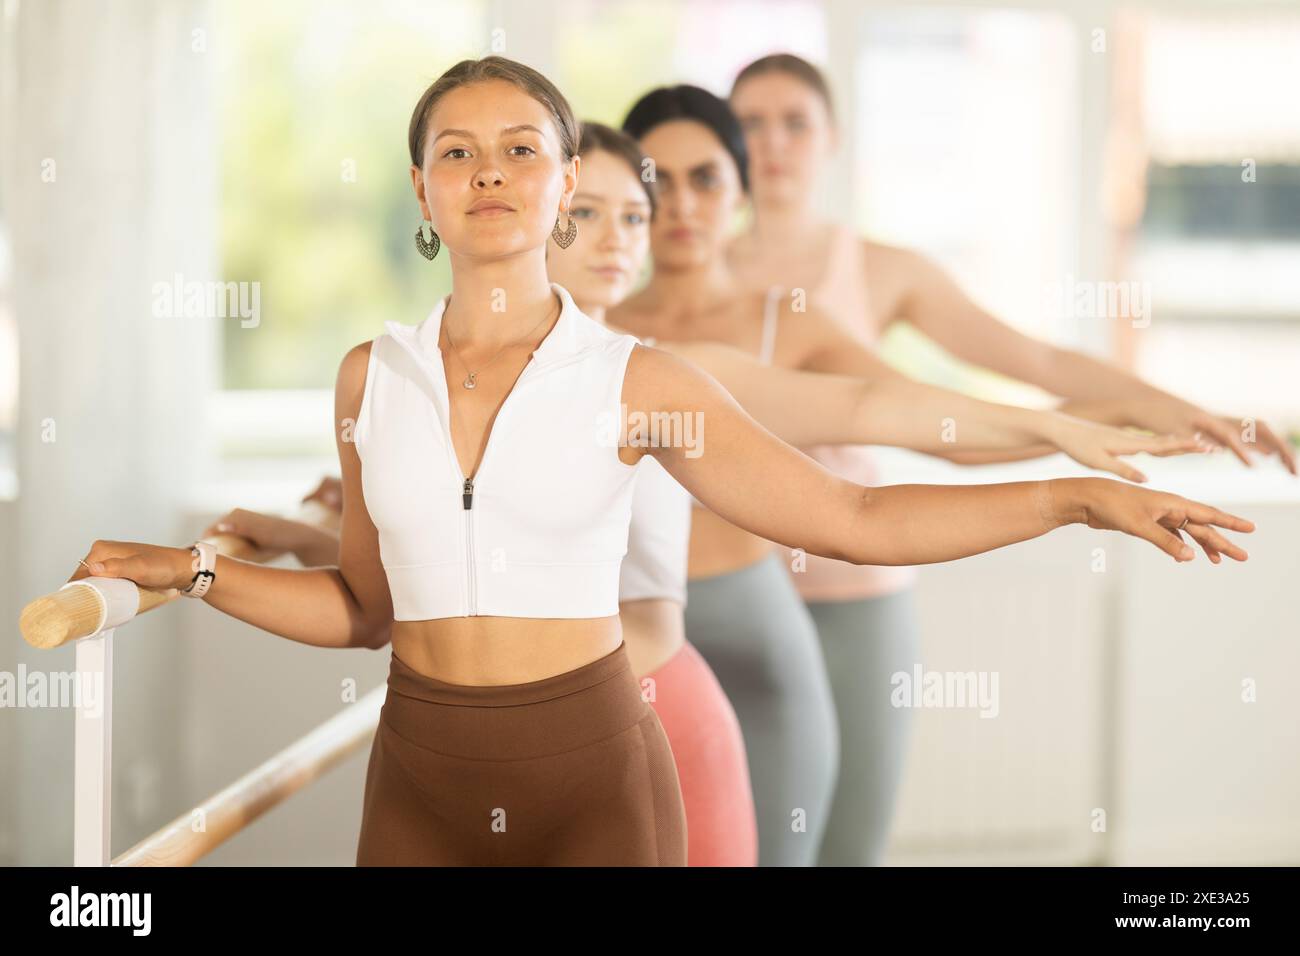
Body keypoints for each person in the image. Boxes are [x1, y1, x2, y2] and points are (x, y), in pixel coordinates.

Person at [68, 56, 1254, 868]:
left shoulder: (637, 379)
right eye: (457, 151)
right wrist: (195, 573)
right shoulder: (367, 378)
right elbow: (365, 606)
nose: (489, 170)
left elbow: (855, 512)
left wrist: (1073, 493)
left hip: (593, 770)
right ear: (422, 189)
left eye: (521, 147)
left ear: (567, 183)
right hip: (418, 775)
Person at [725, 52, 1296, 865]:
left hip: (855, 590)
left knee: (849, 844)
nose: (772, 144)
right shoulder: (687, 276)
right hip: (729, 596)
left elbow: (1039, 368)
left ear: (832, 140)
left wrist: (1180, 412)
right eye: (750, 123)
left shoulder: (881, 270)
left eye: (794, 123)